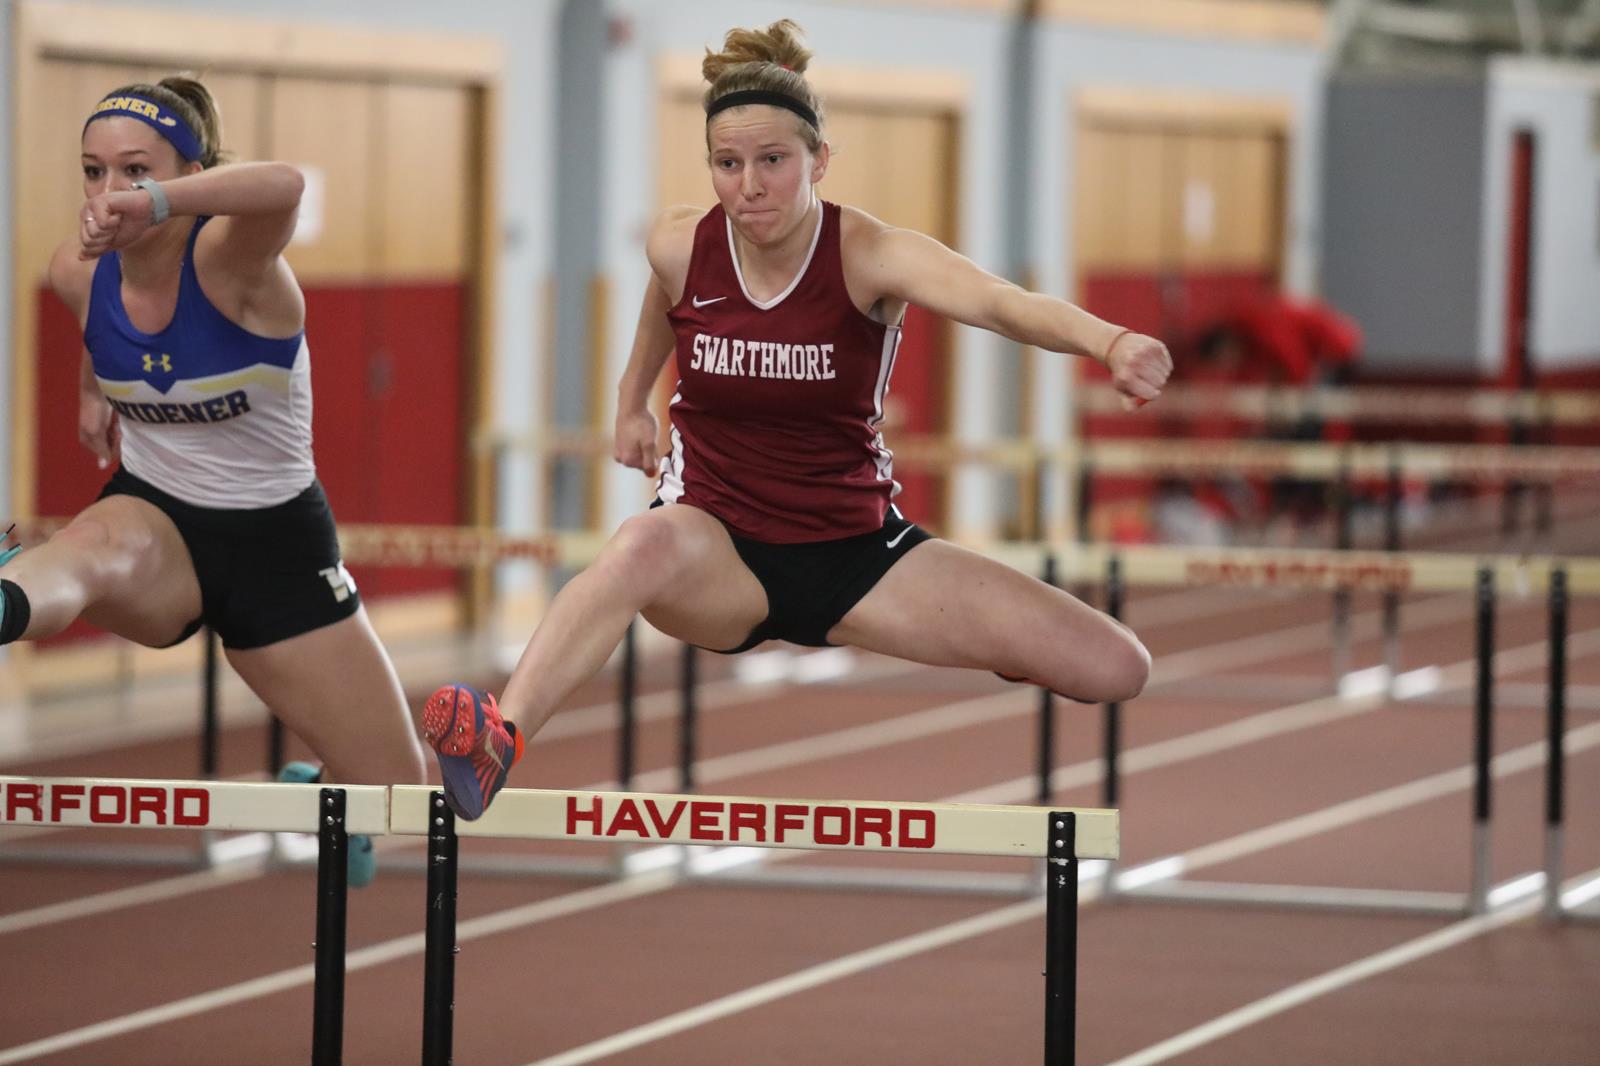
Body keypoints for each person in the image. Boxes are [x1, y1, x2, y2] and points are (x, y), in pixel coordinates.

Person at [423, 21, 1172, 819]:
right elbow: (664, 294)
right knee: (640, 543)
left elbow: (1000, 302)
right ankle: (503, 738)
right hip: (720, 553)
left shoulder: (869, 254)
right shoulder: (681, 244)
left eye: (773, 162)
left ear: (818, 160)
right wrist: (631, 399)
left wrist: (1111, 340)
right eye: (728, 164)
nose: (749, 187)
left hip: (859, 557)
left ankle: (972, 638)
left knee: (1116, 666)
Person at [1, 76, 425, 881]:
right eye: (93, 172)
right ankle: (6, 598)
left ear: (189, 175)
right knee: (92, 551)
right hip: (160, 517)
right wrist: (94, 387)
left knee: (403, 793)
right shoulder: (77, 270)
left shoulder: (232, 261)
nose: (108, 193)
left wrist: (159, 205)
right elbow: (99, 330)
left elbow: (285, 186)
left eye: (135, 170)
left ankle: (320, 789)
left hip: (277, 546)